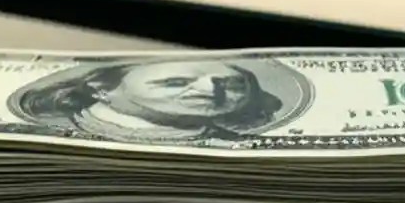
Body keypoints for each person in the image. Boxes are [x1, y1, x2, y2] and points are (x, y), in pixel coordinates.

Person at [17, 59, 284, 142]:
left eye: (232, 85)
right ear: (102, 89)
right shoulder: (51, 131)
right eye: (175, 82)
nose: (210, 91)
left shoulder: (235, 140)